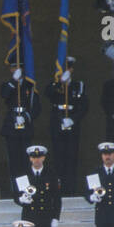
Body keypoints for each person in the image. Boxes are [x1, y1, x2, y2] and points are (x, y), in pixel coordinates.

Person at [44, 57, 88, 196]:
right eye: (64, 68)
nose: (67, 71)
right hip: (58, 122)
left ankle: (71, 189)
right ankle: (59, 189)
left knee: (71, 156)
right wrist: (60, 83)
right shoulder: (54, 85)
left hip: (72, 124)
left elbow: (84, 106)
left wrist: (73, 119)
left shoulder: (78, 85)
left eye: (69, 68)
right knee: (58, 157)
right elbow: (48, 95)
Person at [0, 66, 42, 186]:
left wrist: (26, 116)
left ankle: (26, 186)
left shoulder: (30, 85)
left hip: (25, 127)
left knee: (27, 159)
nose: (16, 70)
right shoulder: (7, 85)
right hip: (11, 126)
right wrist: (14, 80)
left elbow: (37, 107)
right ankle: (15, 187)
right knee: (14, 160)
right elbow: (4, 94)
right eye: (13, 68)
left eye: (18, 67)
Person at [15, 146, 60, 227]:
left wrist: (56, 217)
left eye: (39, 157)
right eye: (34, 157)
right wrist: (21, 200)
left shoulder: (51, 173)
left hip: (45, 216)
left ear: (43, 158)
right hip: (29, 216)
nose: (36, 160)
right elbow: (15, 195)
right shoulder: (23, 174)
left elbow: (57, 198)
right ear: (30, 158)